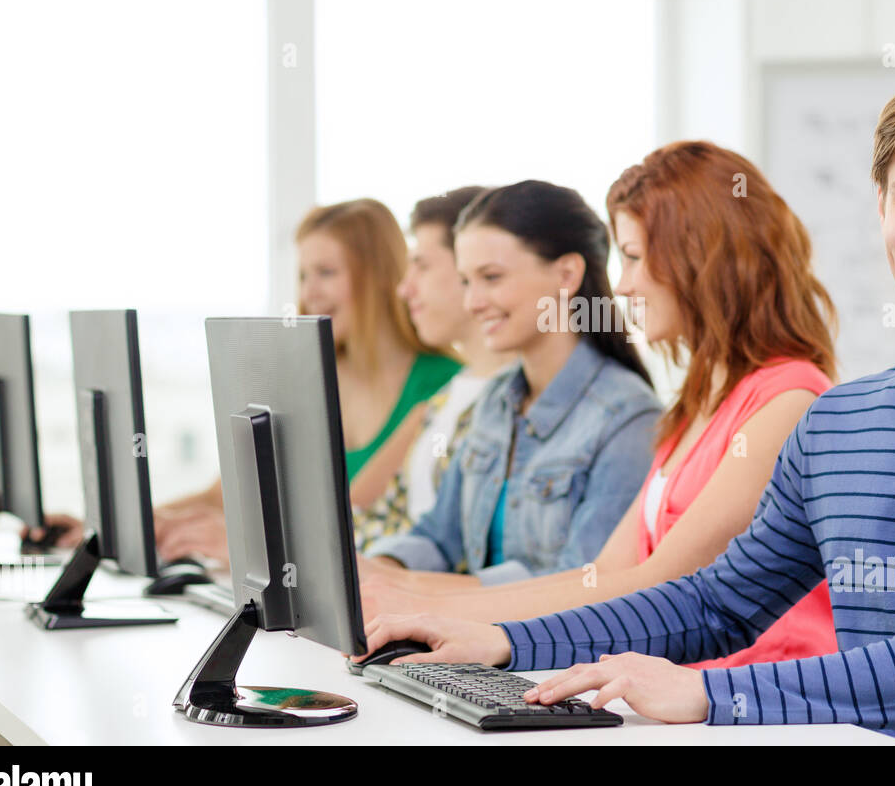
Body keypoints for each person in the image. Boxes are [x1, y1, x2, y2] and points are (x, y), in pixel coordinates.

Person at [361, 71, 895, 746]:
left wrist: (714, 697)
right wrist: (506, 643)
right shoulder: (841, 422)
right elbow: (719, 602)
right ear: (884, 211)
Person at [360, 141, 840, 668]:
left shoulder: (789, 399)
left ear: (700, 255)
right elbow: (608, 574)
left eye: (633, 257)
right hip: (676, 697)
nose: (622, 284)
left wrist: (435, 607)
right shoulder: (697, 405)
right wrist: (423, 607)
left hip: (754, 711)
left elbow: (660, 585)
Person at [35, 198, 460, 563]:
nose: (310, 292)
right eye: (303, 275)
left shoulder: (444, 387)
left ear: (380, 276)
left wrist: (223, 538)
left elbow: (345, 517)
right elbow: (226, 494)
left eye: (327, 272)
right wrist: (109, 528)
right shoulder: (304, 381)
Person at [361, 180, 662, 587]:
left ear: (567, 274)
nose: (473, 302)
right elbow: (438, 538)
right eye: (467, 282)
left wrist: (424, 593)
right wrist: (372, 574)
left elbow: (584, 583)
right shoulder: (495, 399)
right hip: (470, 638)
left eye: (491, 277)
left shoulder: (628, 418)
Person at [351, 187, 514, 551]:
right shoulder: (445, 398)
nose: (404, 289)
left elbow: (449, 550)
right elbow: (367, 514)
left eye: (421, 266)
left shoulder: (518, 399)